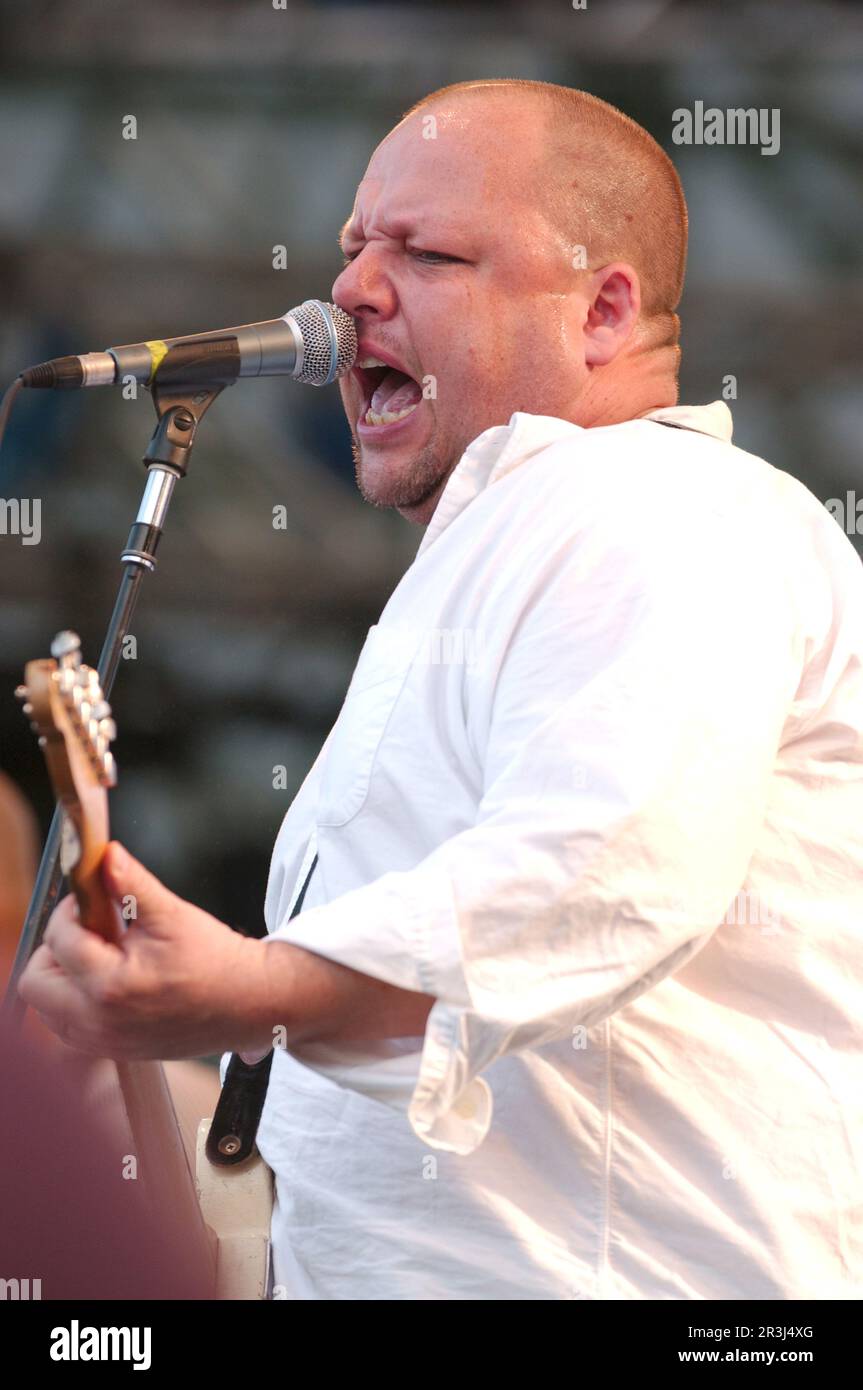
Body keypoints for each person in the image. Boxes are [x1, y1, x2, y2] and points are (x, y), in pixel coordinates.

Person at [18, 80, 863, 1300]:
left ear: (602, 309)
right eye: (352, 246)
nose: (349, 292)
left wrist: (254, 987)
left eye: (426, 252)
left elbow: (606, 863)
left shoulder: (655, 508)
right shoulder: (519, 540)